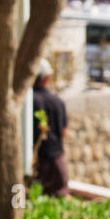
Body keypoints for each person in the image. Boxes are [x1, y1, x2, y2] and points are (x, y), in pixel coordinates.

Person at [32, 58, 70, 196]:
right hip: (55, 163)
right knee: (59, 198)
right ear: (47, 78)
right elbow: (64, 132)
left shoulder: (27, 100)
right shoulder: (58, 102)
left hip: (32, 162)